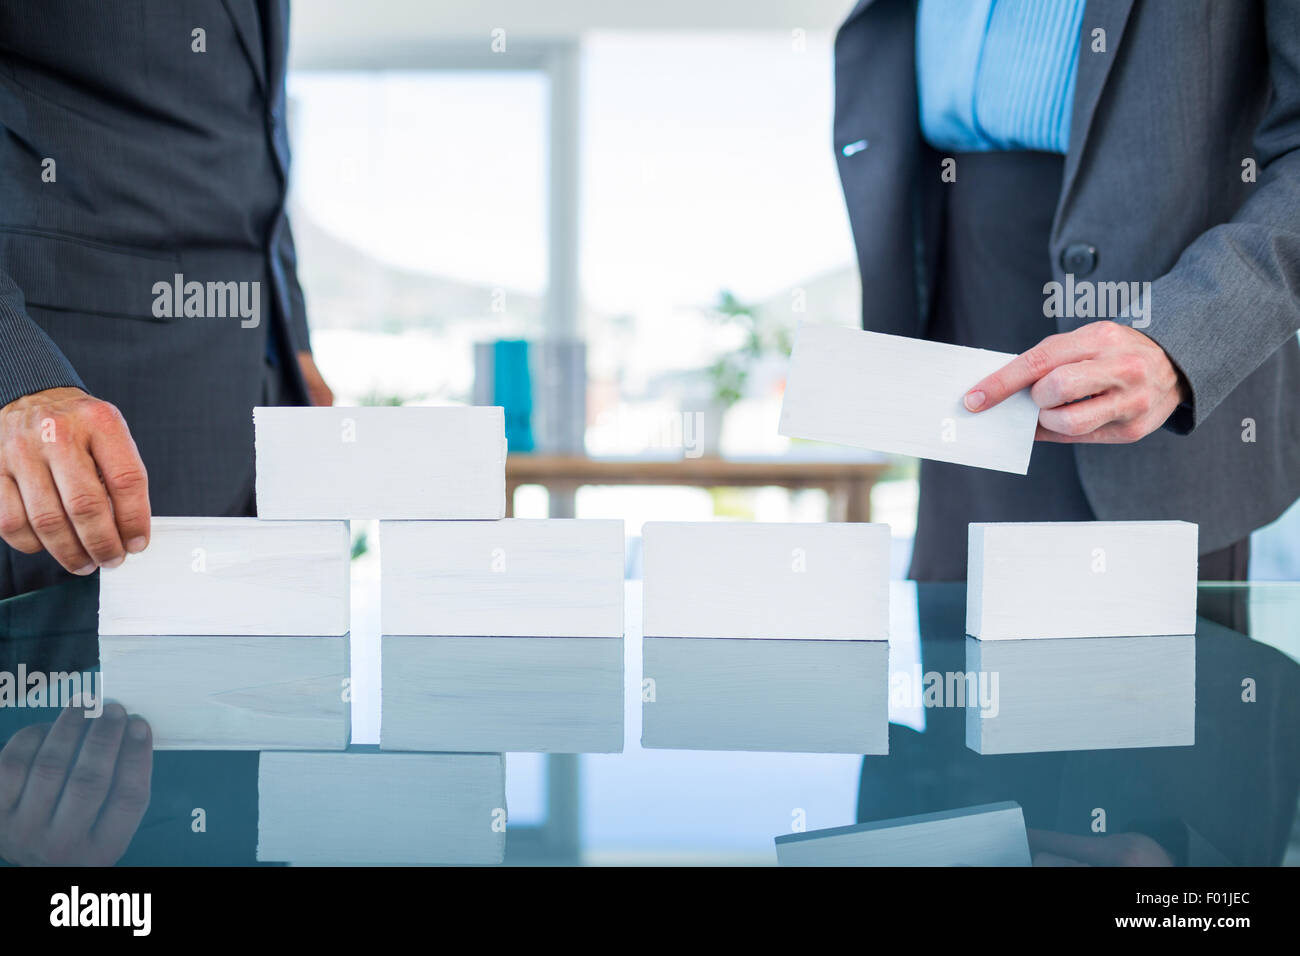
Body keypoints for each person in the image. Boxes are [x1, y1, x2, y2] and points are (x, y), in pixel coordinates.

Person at [833, 0, 1300, 583]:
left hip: (1161, 321)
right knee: (958, 644)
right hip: (958, 294)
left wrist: (1181, 340)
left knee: (1142, 666)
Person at [0, 0, 331, 599]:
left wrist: (291, 338)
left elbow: (256, 136)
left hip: (251, 406)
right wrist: (12, 374)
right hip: (68, 417)